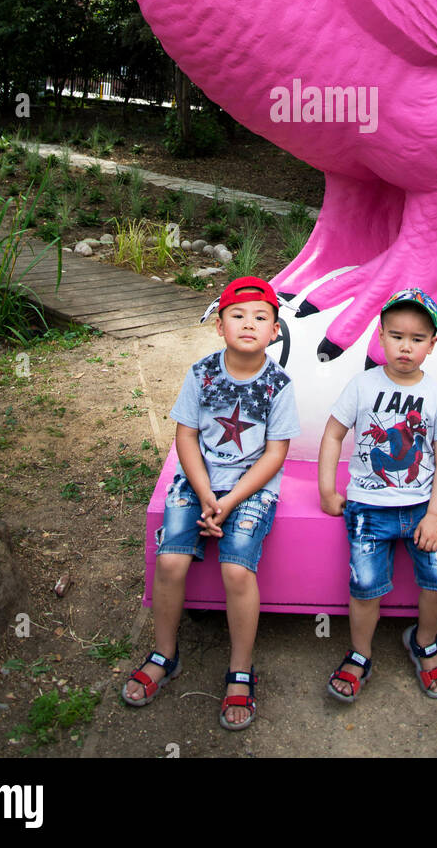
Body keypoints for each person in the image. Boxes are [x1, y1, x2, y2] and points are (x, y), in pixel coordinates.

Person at [122, 275, 299, 729]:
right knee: (171, 563)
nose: (248, 324)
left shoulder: (278, 384)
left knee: (236, 569)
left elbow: (275, 453)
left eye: (261, 317)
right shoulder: (201, 373)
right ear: (219, 326)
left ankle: (241, 668)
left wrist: (231, 499)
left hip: (252, 487)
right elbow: (186, 435)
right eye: (236, 315)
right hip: (198, 480)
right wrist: (204, 494)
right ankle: (165, 652)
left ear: (275, 331)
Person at [318, 288, 437, 701]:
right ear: (380, 337)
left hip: (421, 508)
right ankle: (360, 654)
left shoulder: (436, 396)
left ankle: (424, 642)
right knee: (365, 586)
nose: (405, 346)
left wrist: (435, 515)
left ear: (432, 345)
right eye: (397, 335)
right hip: (368, 506)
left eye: (417, 339)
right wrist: (327, 489)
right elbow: (332, 435)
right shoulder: (361, 385)